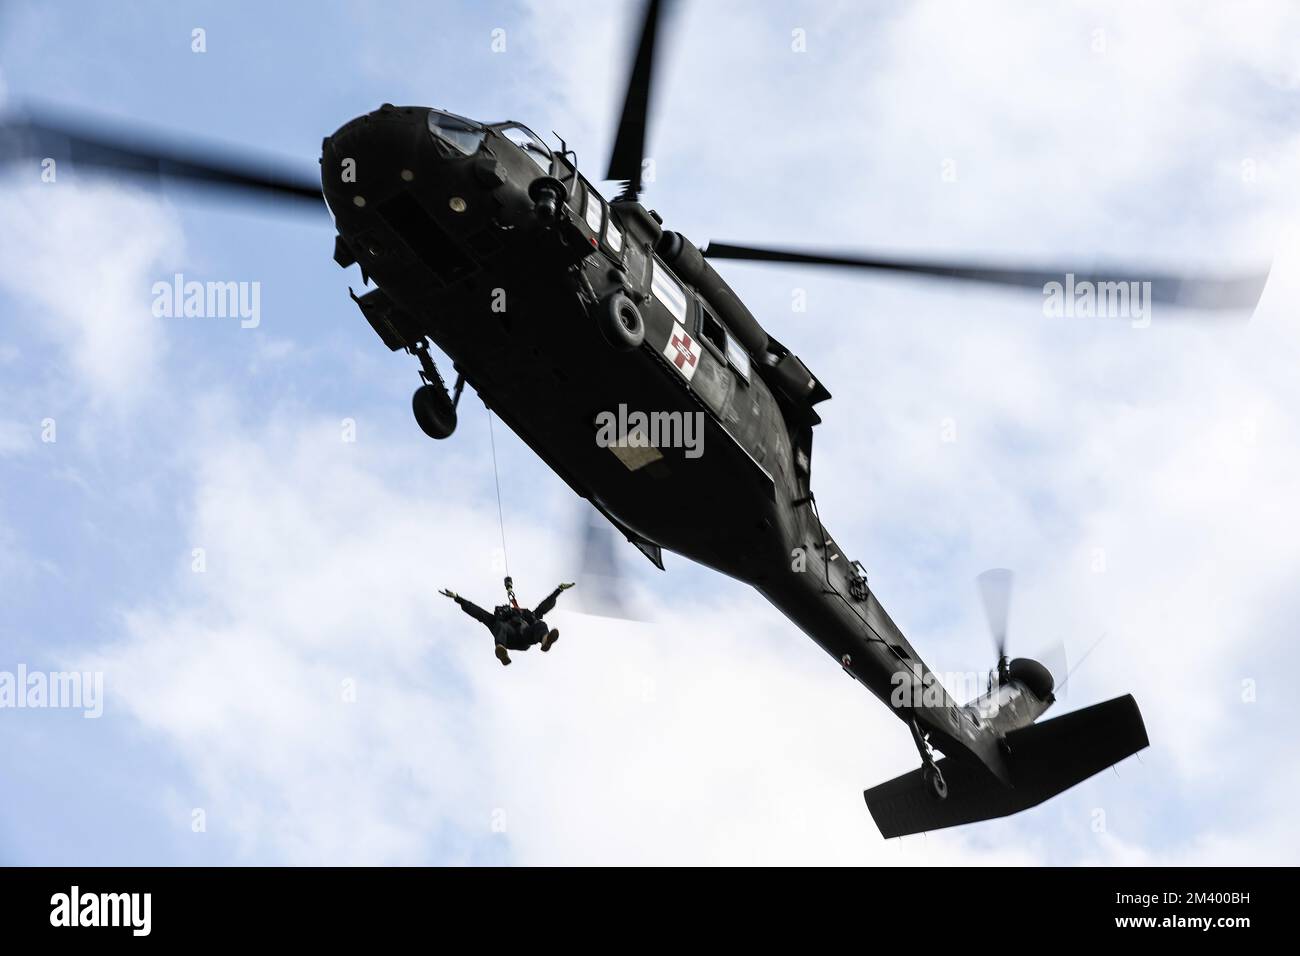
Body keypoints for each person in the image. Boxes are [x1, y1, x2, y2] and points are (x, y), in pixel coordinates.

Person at [440, 577, 575, 666]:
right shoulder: (496, 621)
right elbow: (477, 612)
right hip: (507, 639)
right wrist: (458, 598)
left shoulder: (525, 616)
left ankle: (545, 639)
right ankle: (501, 650)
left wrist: (558, 590)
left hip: (525, 637)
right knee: (500, 625)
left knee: (540, 623)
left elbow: (544, 607)